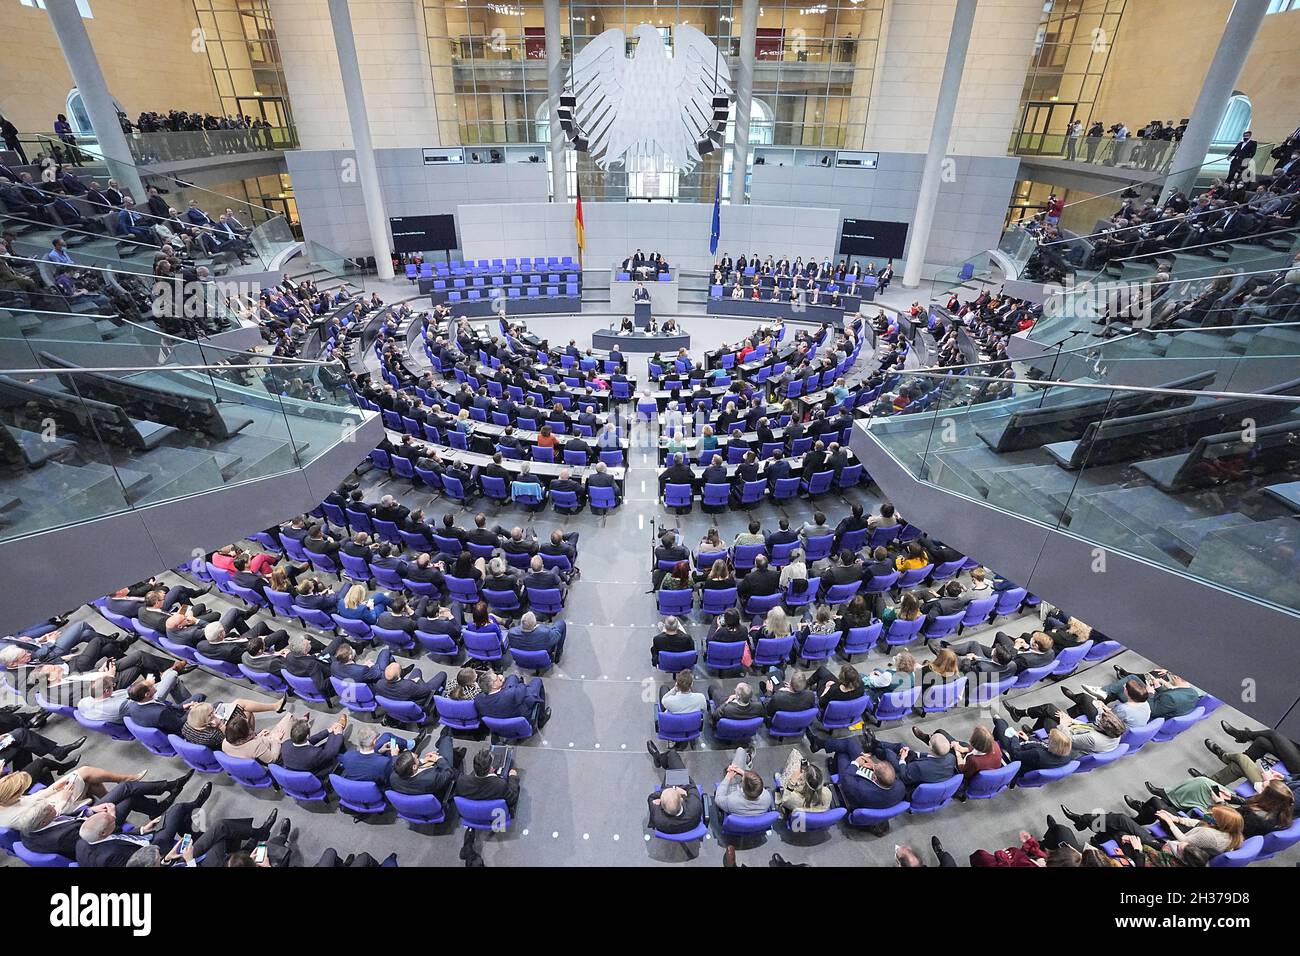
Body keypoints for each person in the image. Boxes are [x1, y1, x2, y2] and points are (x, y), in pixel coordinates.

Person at [644, 741, 705, 834]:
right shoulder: (695, 806)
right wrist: (677, 790)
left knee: (671, 763)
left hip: (670, 826)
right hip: (689, 820)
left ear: (661, 806)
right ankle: (663, 762)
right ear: (681, 800)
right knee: (672, 758)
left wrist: (666, 792)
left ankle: (658, 758)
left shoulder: (658, 818)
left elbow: (651, 797)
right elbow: (691, 786)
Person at [713, 748, 774, 817]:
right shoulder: (767, 797)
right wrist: (742, 772)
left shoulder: (731, 801)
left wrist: (728, 776)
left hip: (735, 798)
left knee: (740, 751)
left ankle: (746, 760)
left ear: (742, 786)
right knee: (740, 760)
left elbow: (718, 798)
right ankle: (747, 762)